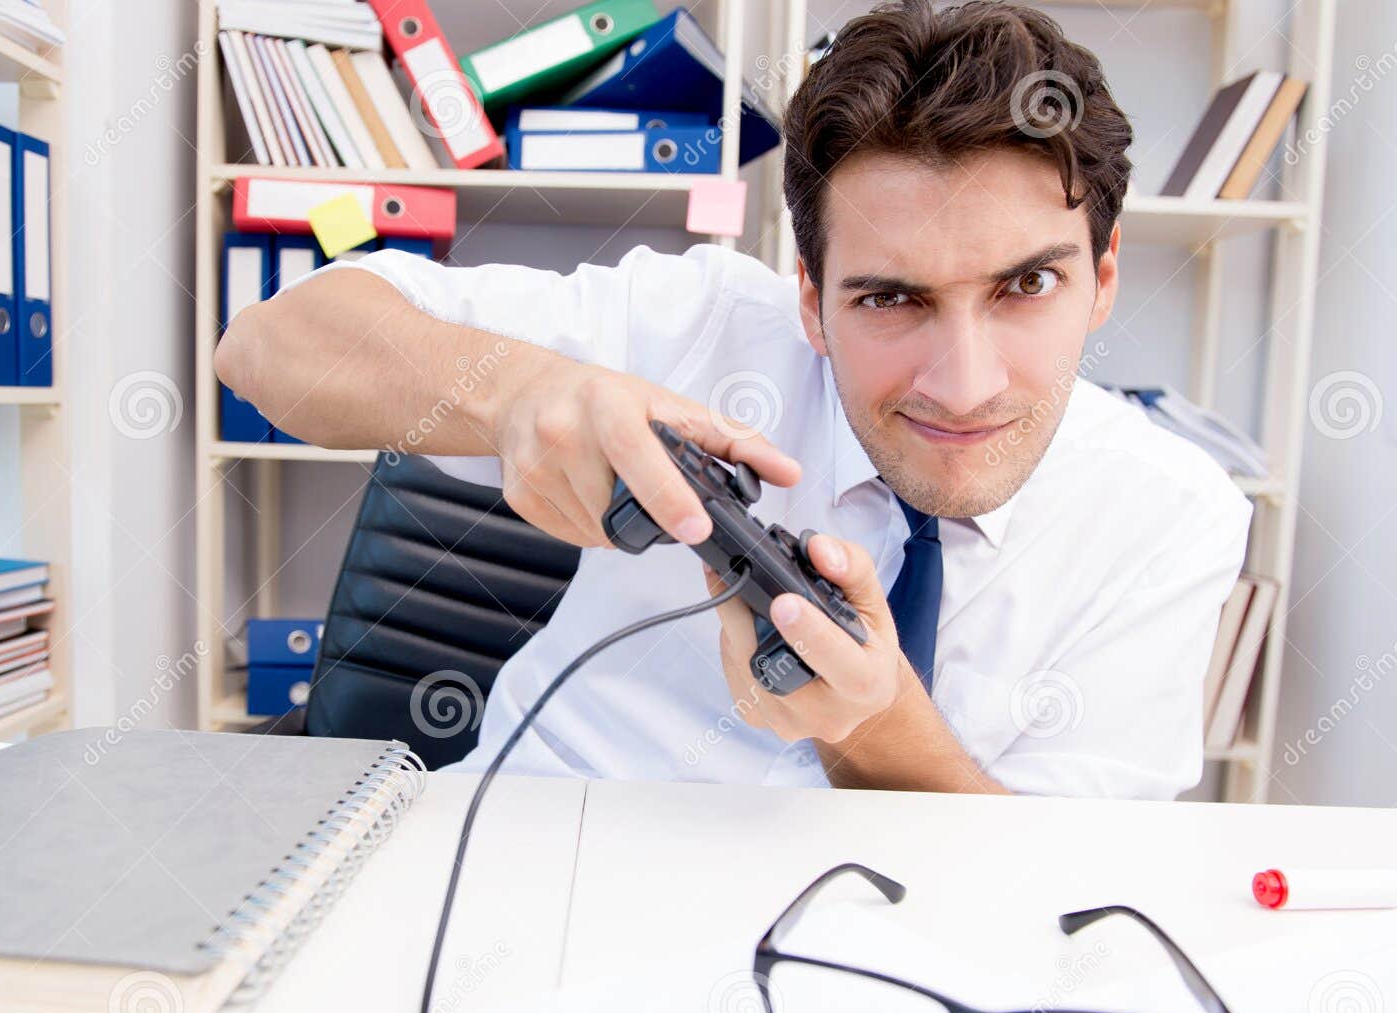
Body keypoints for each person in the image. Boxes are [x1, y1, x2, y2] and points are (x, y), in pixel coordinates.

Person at [215, 0, 1252, 798]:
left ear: (1104, 277)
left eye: (1025, 286)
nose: (965, 383)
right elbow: (264, 345)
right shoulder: (700, 320)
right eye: (891, 298)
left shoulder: (1171, 515)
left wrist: (869, 722)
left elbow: (1055, 894)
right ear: (807, 296)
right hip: (535, 871)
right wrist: (516, 394)